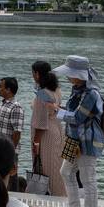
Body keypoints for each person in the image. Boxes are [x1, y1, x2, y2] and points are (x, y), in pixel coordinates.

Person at [53, 55, 104, 207]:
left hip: (88, 141)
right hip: (74, 139)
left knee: (88, 178)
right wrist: (59, 111)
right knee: (66, 172)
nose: (68, 77)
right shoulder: (77, 89)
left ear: (79, 75)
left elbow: (78, 117)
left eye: (70, 74)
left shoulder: (91, 94)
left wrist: (56, 112)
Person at [29, 61, 67, 197]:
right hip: (57, 129)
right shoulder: (56, 90)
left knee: (45, 167)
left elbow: (40, 121)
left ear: (37, 74)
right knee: (56, 166)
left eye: (33, 73)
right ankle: (60, 194)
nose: (33, 76)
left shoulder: (42, 94)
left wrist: (36, 143)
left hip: (46, 135)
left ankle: (50, 195)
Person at [0, 77, 26, 177]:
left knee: (9, 178)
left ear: (8, 90)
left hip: (8, 151)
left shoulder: (15, 107)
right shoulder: (3, 104)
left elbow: (17, 133)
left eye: (1, 87)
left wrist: (10, 153)